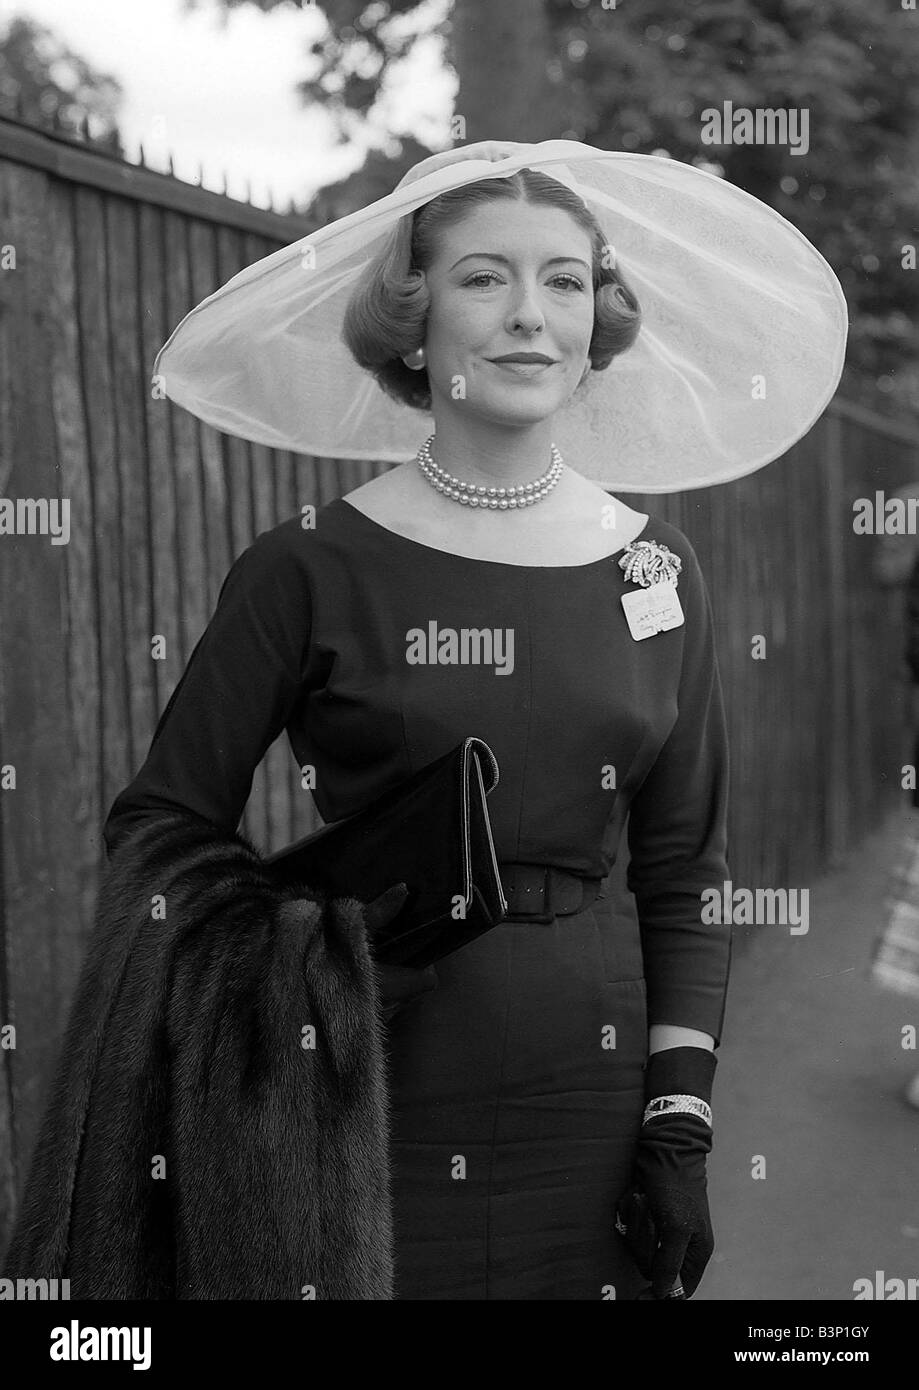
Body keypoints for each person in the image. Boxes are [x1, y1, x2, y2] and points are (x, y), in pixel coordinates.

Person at [100, 139, 846, 1300]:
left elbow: (686, 873)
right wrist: (300, 969)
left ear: (594, 323)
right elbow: (160, 830)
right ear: (412, 320)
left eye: (562, 281)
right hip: (366, 1092)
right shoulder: (306, 566)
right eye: (482, 277)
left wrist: (680, 1120)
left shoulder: (657, 566)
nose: (529, 316)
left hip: (595, 1104)